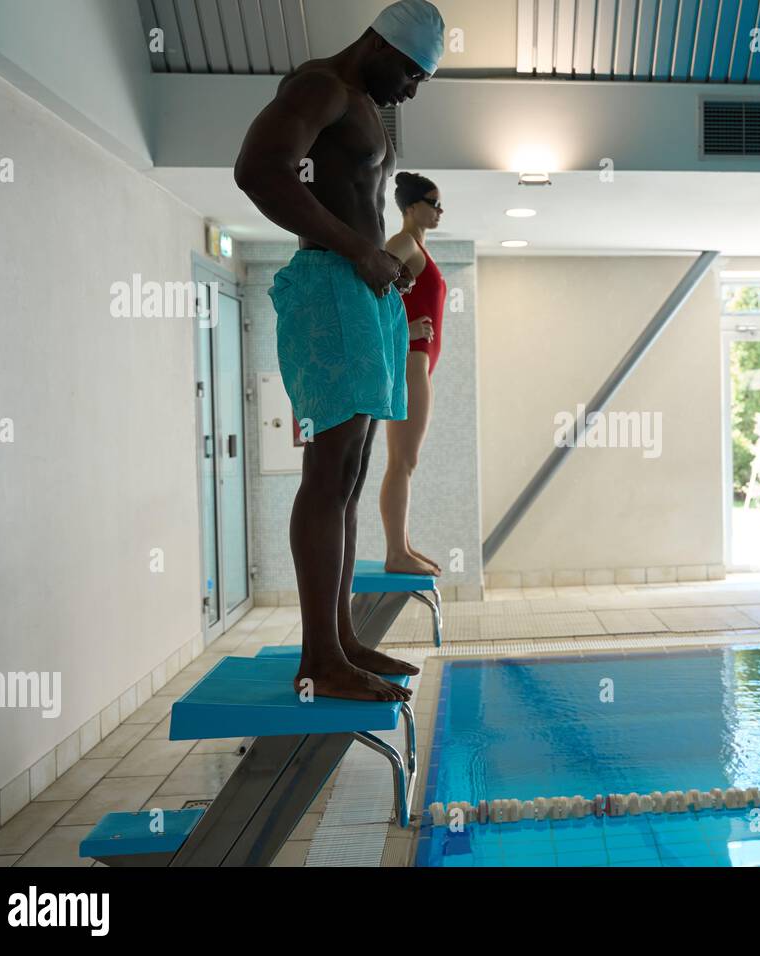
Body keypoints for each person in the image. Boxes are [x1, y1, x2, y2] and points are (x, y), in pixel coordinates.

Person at [233, 0, 445, 702]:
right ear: (382, 44)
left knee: (350, 470)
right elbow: (257, 170)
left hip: (361, 292)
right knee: (329, 467)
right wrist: (357, 248)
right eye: (412, 72)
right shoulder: (319, 86)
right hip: (331, 282)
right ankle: (320, 657)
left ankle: (344, 640)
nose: (412, 90)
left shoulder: (359, 103)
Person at [379, 172, 446, 576]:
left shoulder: (419, 247)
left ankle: (401, 546)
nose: (440, 211)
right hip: (411, 360)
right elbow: (368, 287)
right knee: (402, 461)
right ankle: (395, 553)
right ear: (411, 207)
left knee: (406, 461)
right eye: (433, 203)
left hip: (418, 361)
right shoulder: (405, 243)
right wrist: (404, 329)